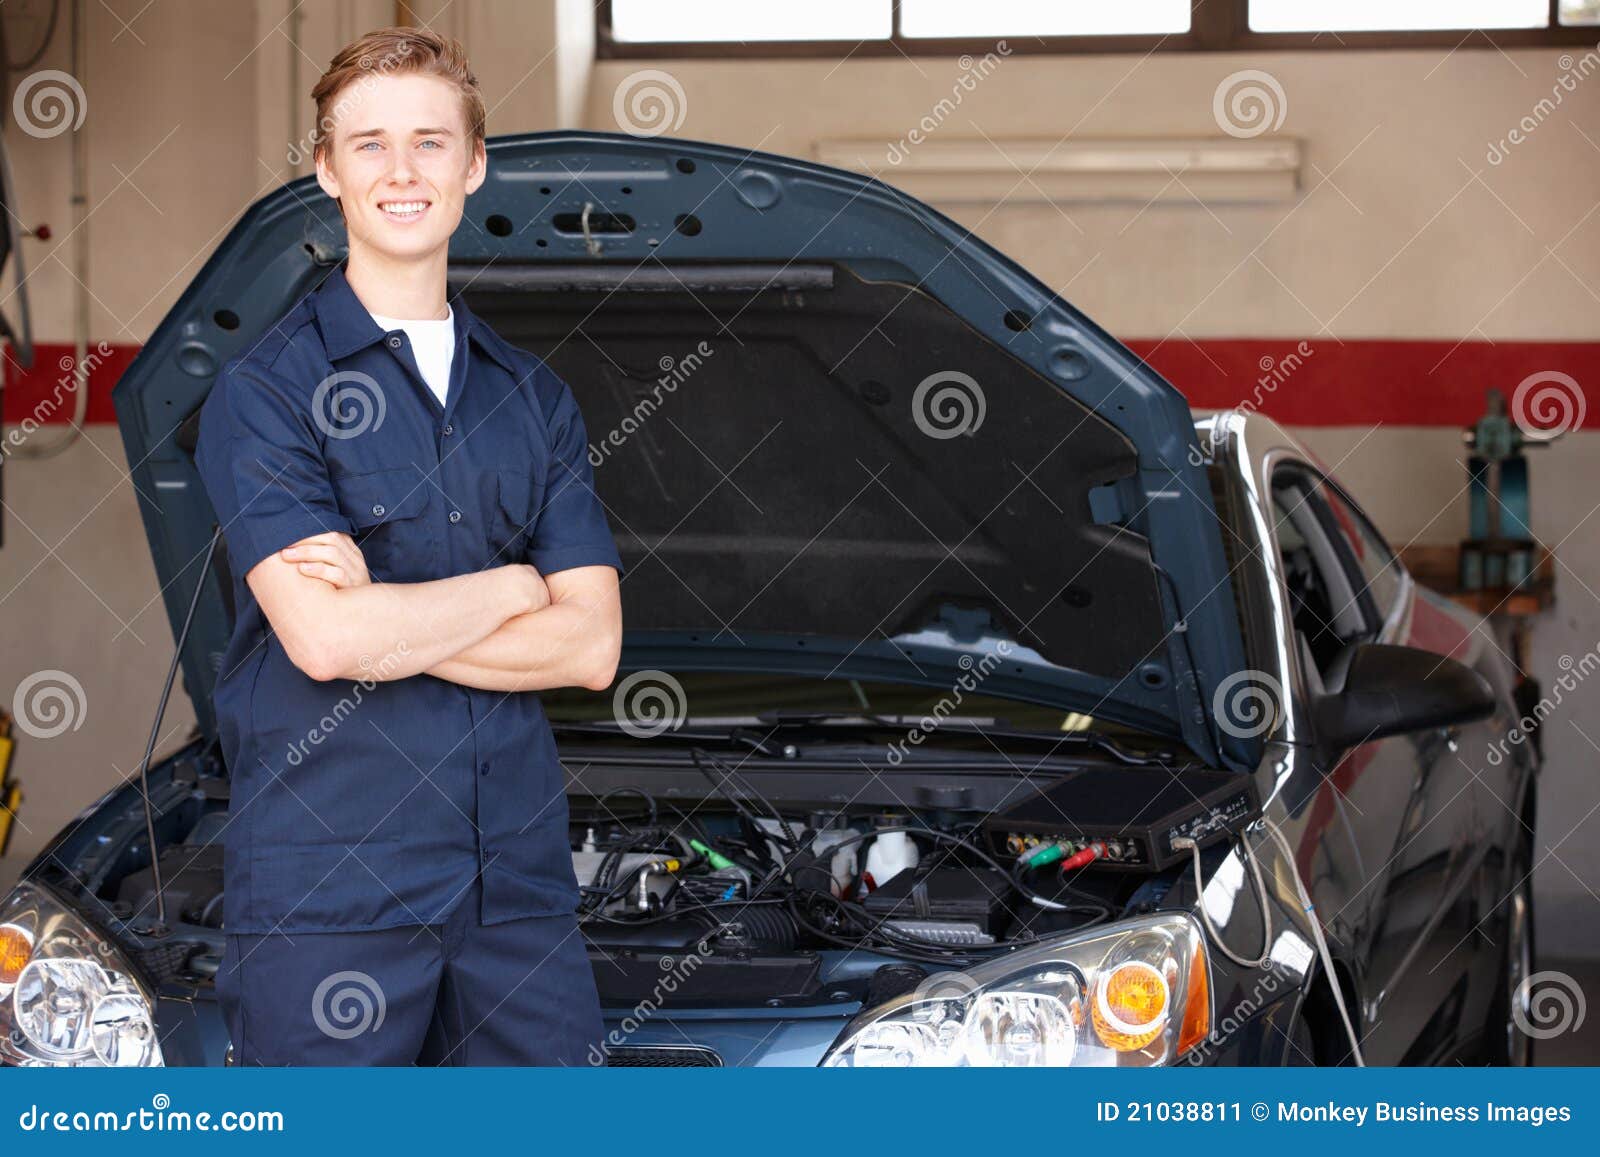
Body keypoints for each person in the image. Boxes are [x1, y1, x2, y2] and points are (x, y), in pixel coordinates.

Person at [194, 27, 623, 1065]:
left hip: (513, 889)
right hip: (328, 894)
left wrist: (387, 614)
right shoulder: (264, 394)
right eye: (369, 144)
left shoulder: (533, 397)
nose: (401, 172)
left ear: (473, 165)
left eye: (430, 142)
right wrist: (519, 584)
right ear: (326, 168)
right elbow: (327, 642)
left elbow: (590, 650)